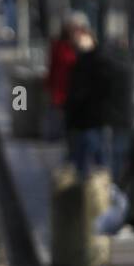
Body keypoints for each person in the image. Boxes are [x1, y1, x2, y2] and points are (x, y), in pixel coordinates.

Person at [61, 17, 107, 175]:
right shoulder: (79, 60)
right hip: (83, 120)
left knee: (91, 152)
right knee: (83, 155)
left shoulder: (93, 62)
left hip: (89, 120)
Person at [44, 15, 82, 143]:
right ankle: (55, 136)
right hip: (60, 86)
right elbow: (52, 65)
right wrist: (49, 84)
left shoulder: (80, 46)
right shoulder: (58, 45)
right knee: (56, 114)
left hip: (74, 88)